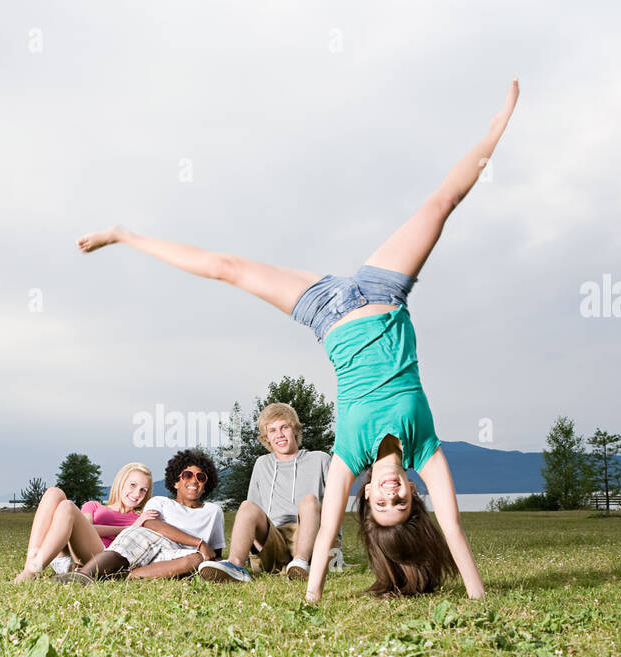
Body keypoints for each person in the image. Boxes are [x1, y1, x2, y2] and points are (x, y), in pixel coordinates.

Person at [77, 80, 519, 601]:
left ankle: (125, 234)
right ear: (415, 496)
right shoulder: (426, 450)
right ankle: (492, 130)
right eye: (400, 501)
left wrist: (311, 598)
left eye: (382, 503)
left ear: (368, 496)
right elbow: (455, 533)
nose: (391, 492)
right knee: (443, 203)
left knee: (228, 268)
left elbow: (325, 529)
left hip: (327, 311)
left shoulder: (349, 457)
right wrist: (478, 598)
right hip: (385, 289)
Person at [197, 401, 330, 583]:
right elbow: (253, 514)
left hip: (308, 537)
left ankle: (301, 562)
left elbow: (334, 506)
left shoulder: (320, 459)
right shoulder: (262, 464)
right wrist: (256, 551)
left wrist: (336, 551)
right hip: (274, 540)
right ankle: (236, 566)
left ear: (296, 430)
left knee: (309, 501)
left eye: (285, 427)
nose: (279, 435)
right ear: (266, 437)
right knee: (247, 506)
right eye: (272, 430)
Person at [57, 449, 225, 583]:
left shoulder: (213, 511)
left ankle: (124, 577)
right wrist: (198, 542)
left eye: (200, 477)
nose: (194, 481)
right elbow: (151, 524)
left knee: (197, 559)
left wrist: (212, 558)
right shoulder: (161, 502)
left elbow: (214, 552)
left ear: (205, 485)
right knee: (132, 540)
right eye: (188, 475)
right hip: (152, 542)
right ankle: (82, 576)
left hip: (179, 555)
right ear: (176, 481)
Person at [13, 462, 157, 582]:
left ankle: (32, 570)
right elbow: (88, 528)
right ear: (121, 483)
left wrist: (137, 525)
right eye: (132, 485)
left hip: (99, 560)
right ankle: (30, 566)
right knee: (54, 492)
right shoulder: (94, 506)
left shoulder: (141, 517)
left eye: (143, 490)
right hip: (67, 554)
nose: (137, 493)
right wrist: (129, 528)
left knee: (67, 506)